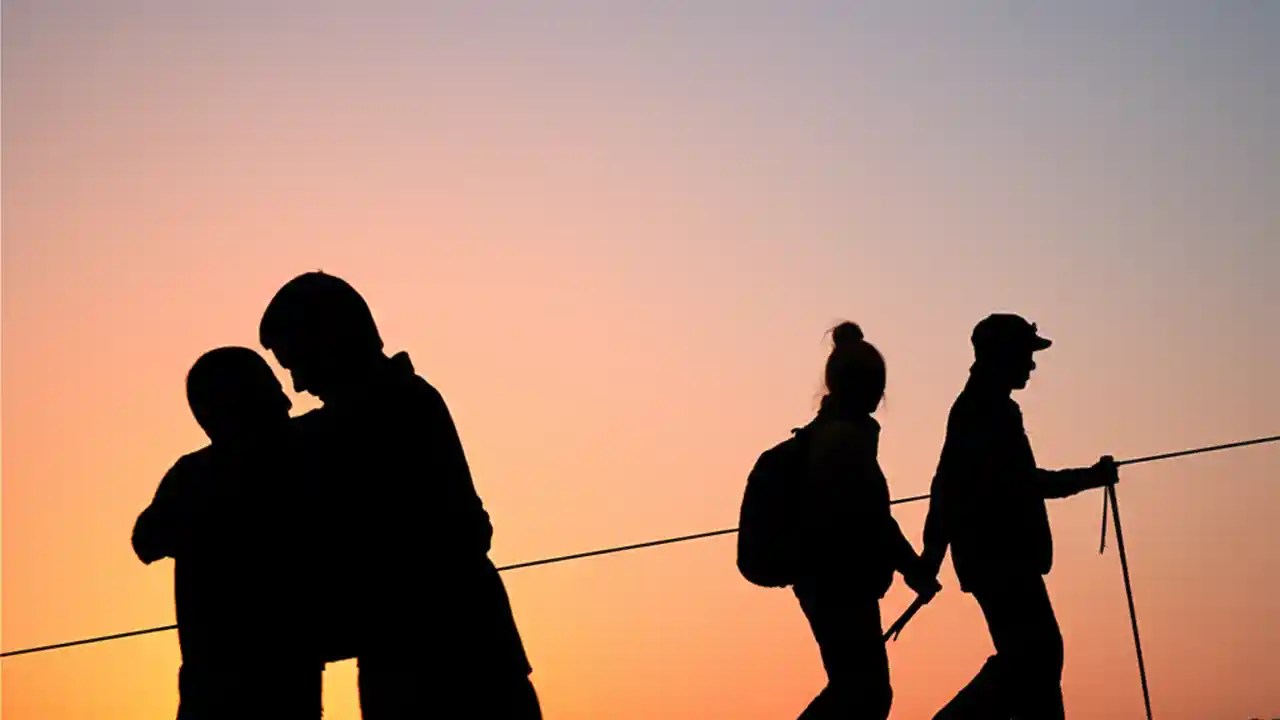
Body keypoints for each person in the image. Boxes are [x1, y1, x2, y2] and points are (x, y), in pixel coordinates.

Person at [258, 271, 540, 719]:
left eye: (297, 363)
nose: (296, 386)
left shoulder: (397, 408)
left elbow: (460, 532)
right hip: (408, 668)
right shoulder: (338, 425)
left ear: (330, 340)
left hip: (458, 669)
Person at [921, 314, 1119, 719]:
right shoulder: (983, 410)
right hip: (1000, 559)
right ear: (1002, 356)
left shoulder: (982, 407)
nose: (1032, 365)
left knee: (1037, 658)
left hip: (998, 559)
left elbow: (945, 486)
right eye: (1026, 355)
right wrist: (1091, 477)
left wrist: (931, 559)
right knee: (1036, 657)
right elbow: (1019, 483)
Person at [132, 346, 323, 719]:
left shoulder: (300, 449)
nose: (287, 400)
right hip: (222, 683)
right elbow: (147, 540)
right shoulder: (198, 474)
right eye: (269, 391)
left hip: (282, 677)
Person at [792, 322, 941, 719]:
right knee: (864, 692)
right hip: (839, 582)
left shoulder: (832, 436)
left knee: (859, 690)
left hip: (829, 581)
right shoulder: (844, 441)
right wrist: (916, 571)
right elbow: (872, 521)